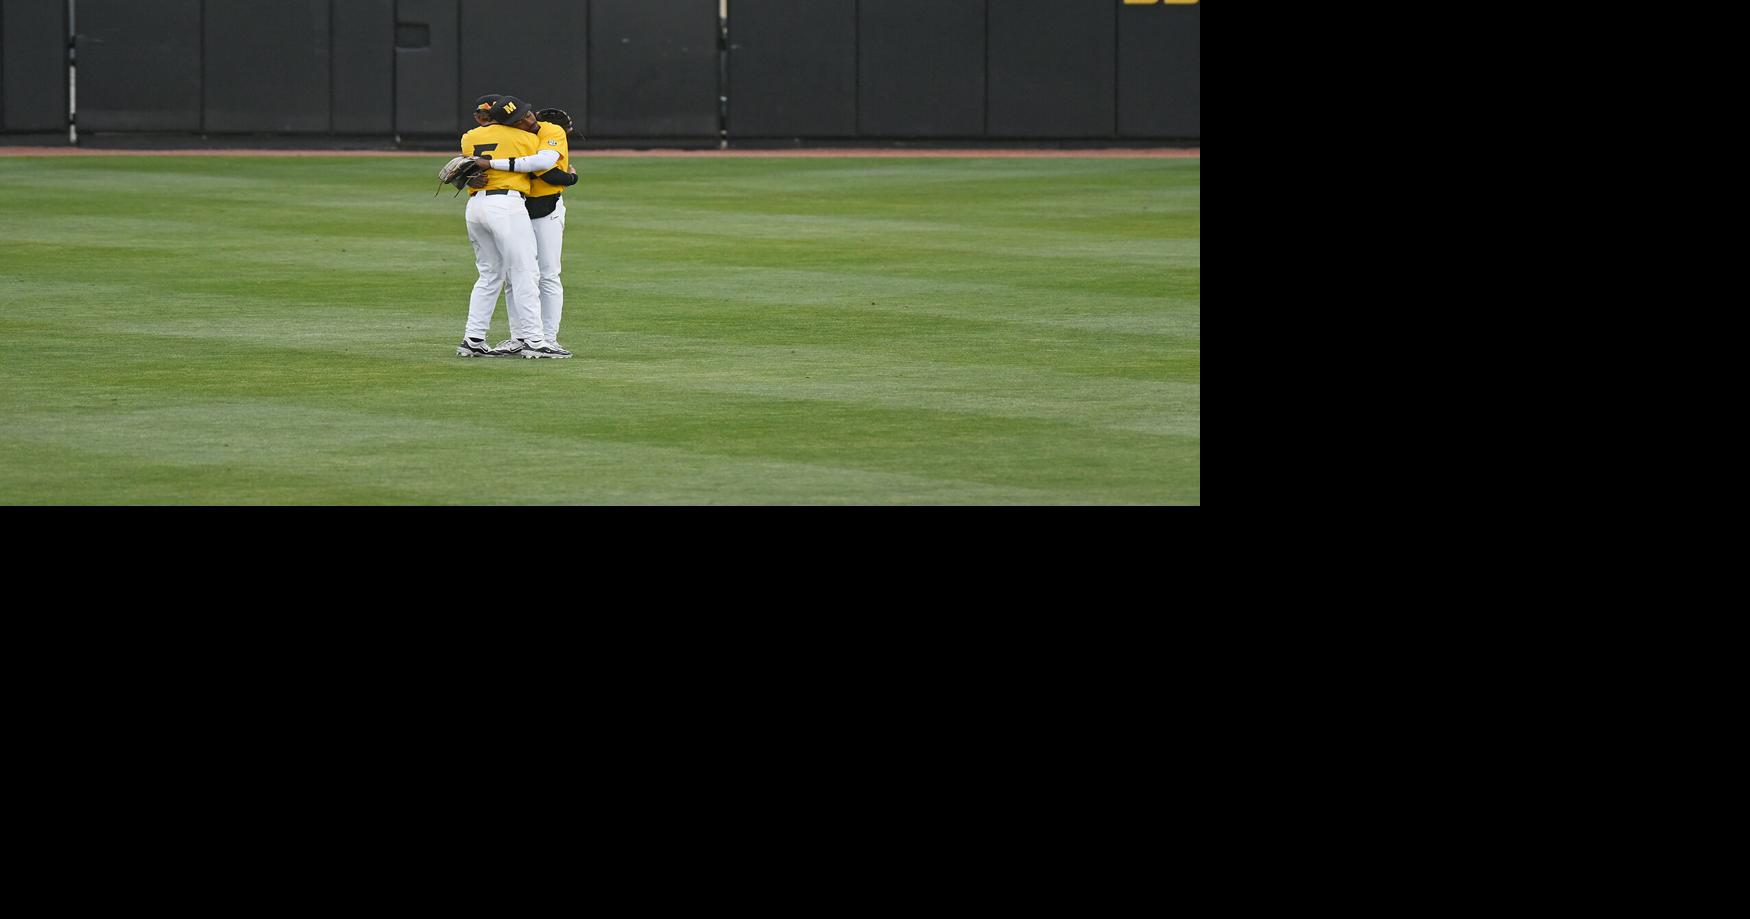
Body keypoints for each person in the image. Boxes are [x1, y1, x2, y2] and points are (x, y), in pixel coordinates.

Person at [454, 95, 571, 359]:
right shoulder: (526, 139)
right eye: (519, 118)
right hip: (507, 207)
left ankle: (473, 339)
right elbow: (547, 170)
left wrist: (480, 170)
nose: (527, 120)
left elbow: (465, 169)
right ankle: (534, 341)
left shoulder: (468, 137)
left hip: (475, 207)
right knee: (525, 272)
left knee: (490, 274)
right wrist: (571, 177)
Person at [522, 109, 579, 348]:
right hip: (523, 207)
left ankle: (546, 337)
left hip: (534, 207)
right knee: (530, 275)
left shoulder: (523, 136)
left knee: (543, 274)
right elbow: (552, 175)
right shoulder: (546, 135)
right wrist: (573, 178)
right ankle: (530, 337)